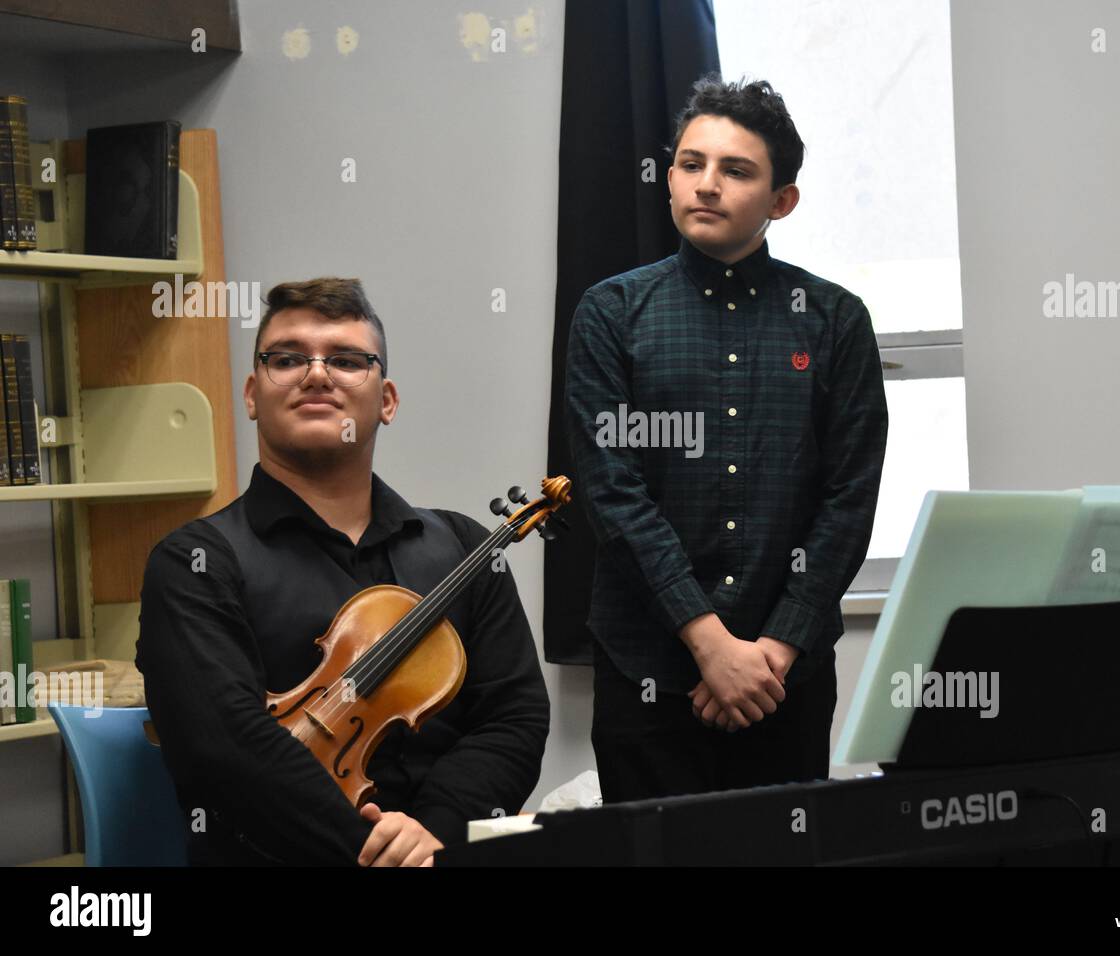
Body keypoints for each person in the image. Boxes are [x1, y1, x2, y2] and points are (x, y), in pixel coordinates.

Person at [137, 277, 550, 865]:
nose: (316, 374)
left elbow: (514, 717)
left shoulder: (464, 545)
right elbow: (224, 749)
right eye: (287, 359)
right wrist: (372, 855)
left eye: (346, 360)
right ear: (253, 394)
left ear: (386, 400)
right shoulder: (194, 563)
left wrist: (437, 831)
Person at [565, 76, 888, 803]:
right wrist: (710, 645)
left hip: (786, 679)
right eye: (690, 164)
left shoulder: (835, 320)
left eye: (736, 170)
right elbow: (614, 496)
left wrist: (770, 653)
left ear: (782, 201)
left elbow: (849, 500)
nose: (706, 185)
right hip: (647, 668)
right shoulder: (612, 313)